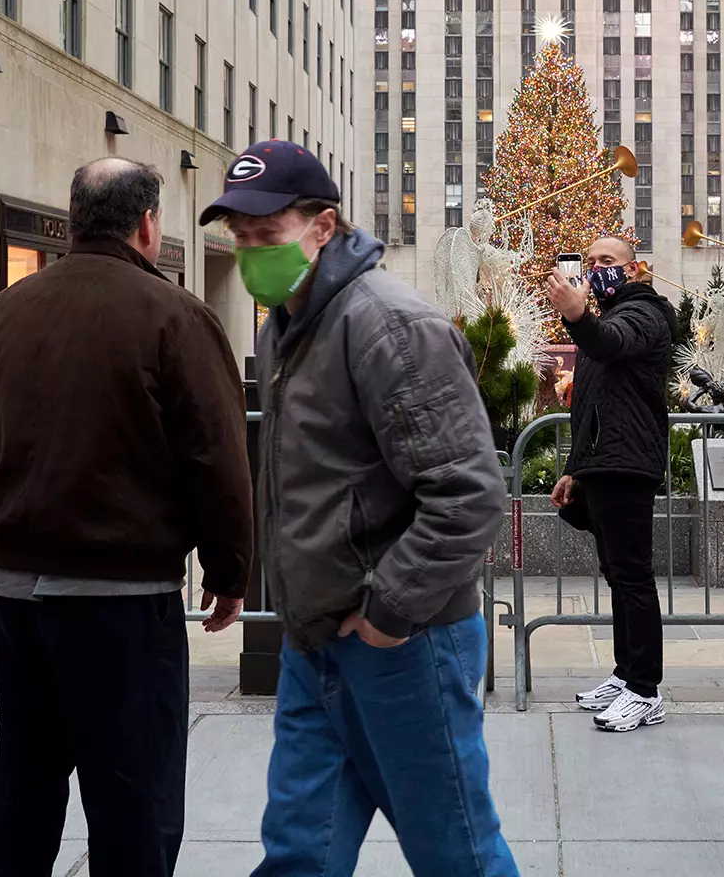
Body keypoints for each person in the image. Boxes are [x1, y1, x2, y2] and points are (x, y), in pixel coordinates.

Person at [204, 141, 517, 877]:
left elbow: (469, 494)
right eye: (240, 239)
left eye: (266, 235)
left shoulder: (386, 324)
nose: (250, 253)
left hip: (404, 649)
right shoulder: (286, 326)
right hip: (317, 643)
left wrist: (387, 613)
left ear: (323, 226)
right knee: (299, 854)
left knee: (456, 855)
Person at [0, 158, 253, 877]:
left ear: (73, 221)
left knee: (25, 792)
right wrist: (229, 569)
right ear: (148, 223)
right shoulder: (174, 314)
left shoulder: (10, 308)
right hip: (123, 603)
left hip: (22, 597)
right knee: (134, 805)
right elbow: (217, 457)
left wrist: (2, 532)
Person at [544, 236, 677, 733]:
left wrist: (578, 316)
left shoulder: (643, 313)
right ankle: (626, 676)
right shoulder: (605, 320)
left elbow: (611, 340)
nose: (598, 268)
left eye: (608, 261)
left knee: (633, 576)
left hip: (628, 466)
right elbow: (591, 410)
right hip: (604, 465)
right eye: (592, 260)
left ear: (633, 268)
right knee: (618, 575)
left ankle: (645, 690)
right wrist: (575, 470)